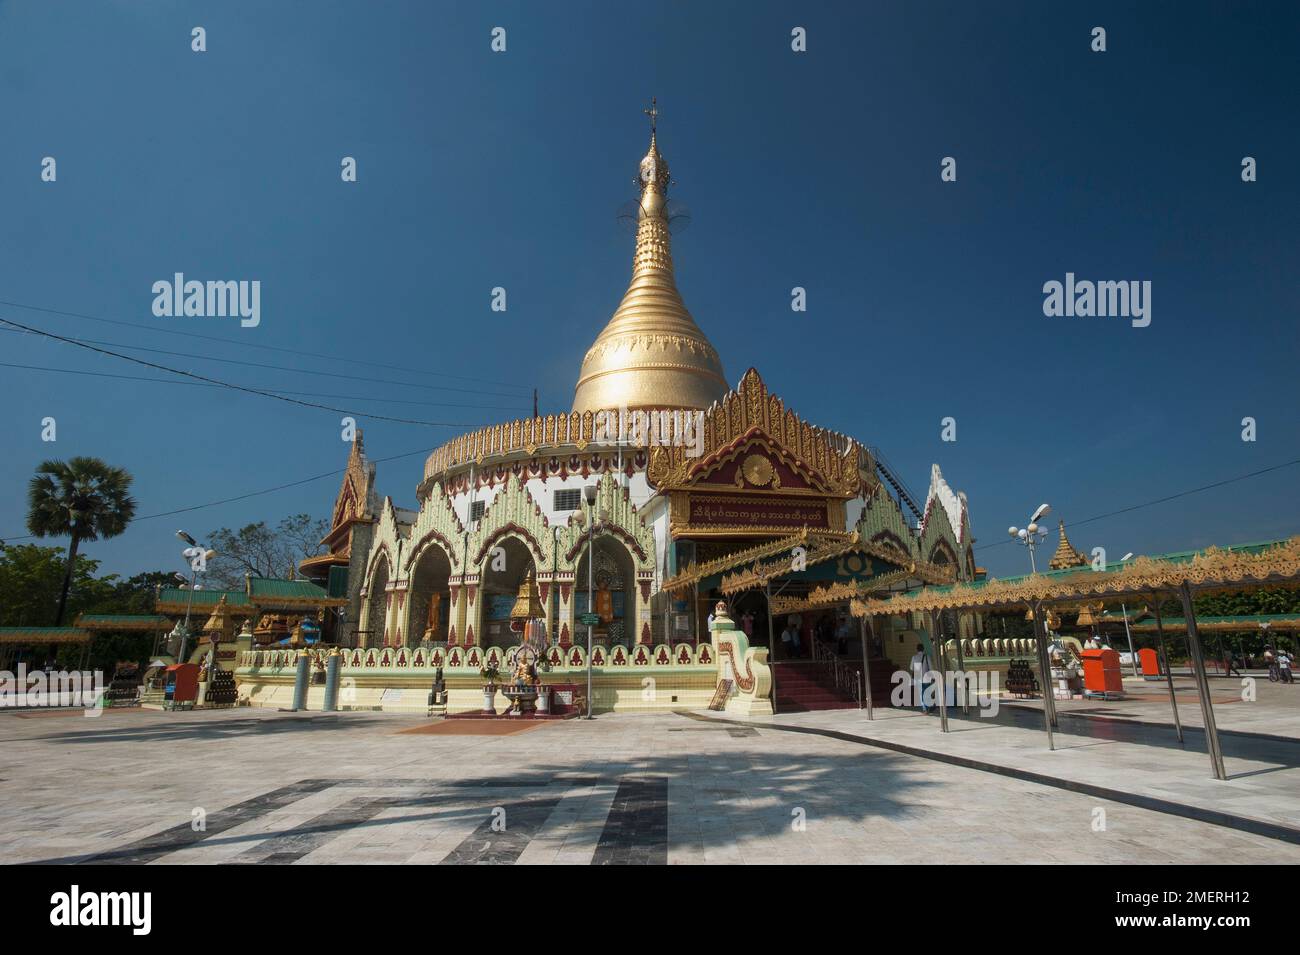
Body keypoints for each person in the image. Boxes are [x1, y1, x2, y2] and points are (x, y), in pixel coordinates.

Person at [910, 643, 931, 712]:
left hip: (918, 678)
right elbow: (931, 667)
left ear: (917, 649)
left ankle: (924, 708)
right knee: (926, 692)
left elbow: (911, 668)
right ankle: (927, 706)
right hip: (926, 677)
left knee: (921, 693)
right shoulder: (927, 657)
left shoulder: (914, 657)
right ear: (923, 649)